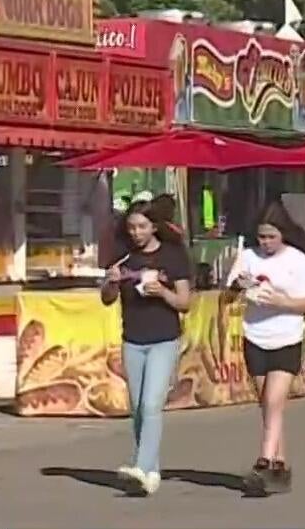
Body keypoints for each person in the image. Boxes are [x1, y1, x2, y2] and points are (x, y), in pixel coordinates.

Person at [225, 207, 305, 496]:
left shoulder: (298, 260)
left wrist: (283, 303)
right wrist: (238, 285)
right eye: (261, 237)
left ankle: (264, 461)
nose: (266, 242)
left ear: (283, 234)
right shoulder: (247, 257)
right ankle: (280, 465)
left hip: (288, 336)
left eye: (271, 236)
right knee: (267, 405)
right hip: (255, 336)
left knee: (274, 400)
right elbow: (228, 295)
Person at [100, 206, 192, 496]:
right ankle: (150, 471)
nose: (136, 233)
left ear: (154, 227)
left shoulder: (172, 256)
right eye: (131, 228)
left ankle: (140, 465)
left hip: (164, 338)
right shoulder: (123, 257)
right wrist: (112, 282)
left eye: (141, 227)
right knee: (138, 408)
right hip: (133, 340)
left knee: (152, 404)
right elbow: (106, 298)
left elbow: (185, 302)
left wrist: (163, 293)